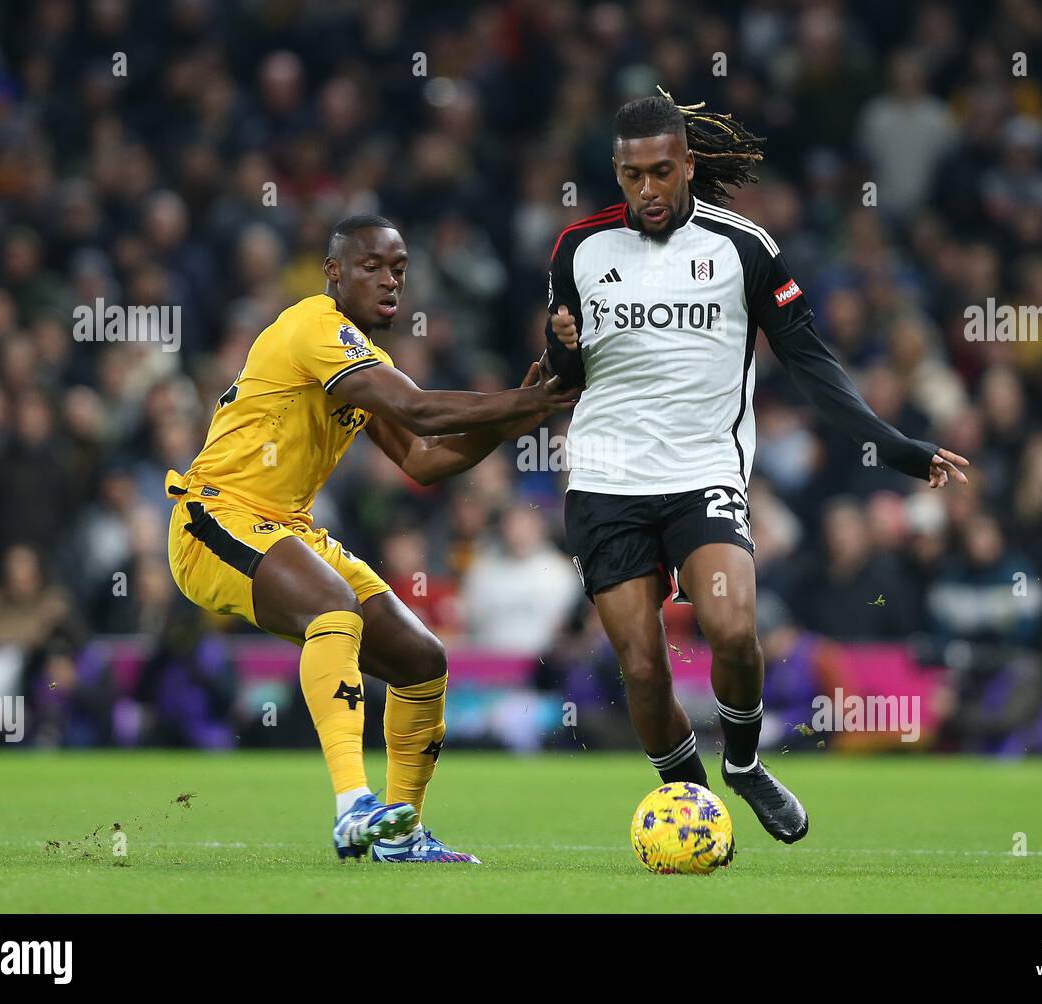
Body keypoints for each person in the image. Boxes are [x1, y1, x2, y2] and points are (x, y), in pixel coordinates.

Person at [543, 91, 969, 846]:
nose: (646, 189)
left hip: (703, 471)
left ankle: (742, 763)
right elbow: (566, 375)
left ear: (688, 165)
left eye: (661, 171)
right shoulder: (578, 250)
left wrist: (896, 445)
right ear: (616, 171)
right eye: (631, 174)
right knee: (642, 666)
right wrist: (562, 345)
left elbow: (811, 361)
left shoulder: (744, 248)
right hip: (606, 480)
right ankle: (690, 804)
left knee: (736, 630)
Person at [166, 214, 577, 863]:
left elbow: (423, 459)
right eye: (372, 267)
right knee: (334, 608)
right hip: (215, 517)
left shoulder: (361, 361)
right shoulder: (314, 327)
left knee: (422, 660)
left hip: (284, 528)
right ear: (334, 273)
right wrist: (522, 404)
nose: (390, 281)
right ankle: (352, 806)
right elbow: (416, 408)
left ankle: (401, 830)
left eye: (399, 269)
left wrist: (512, 420)